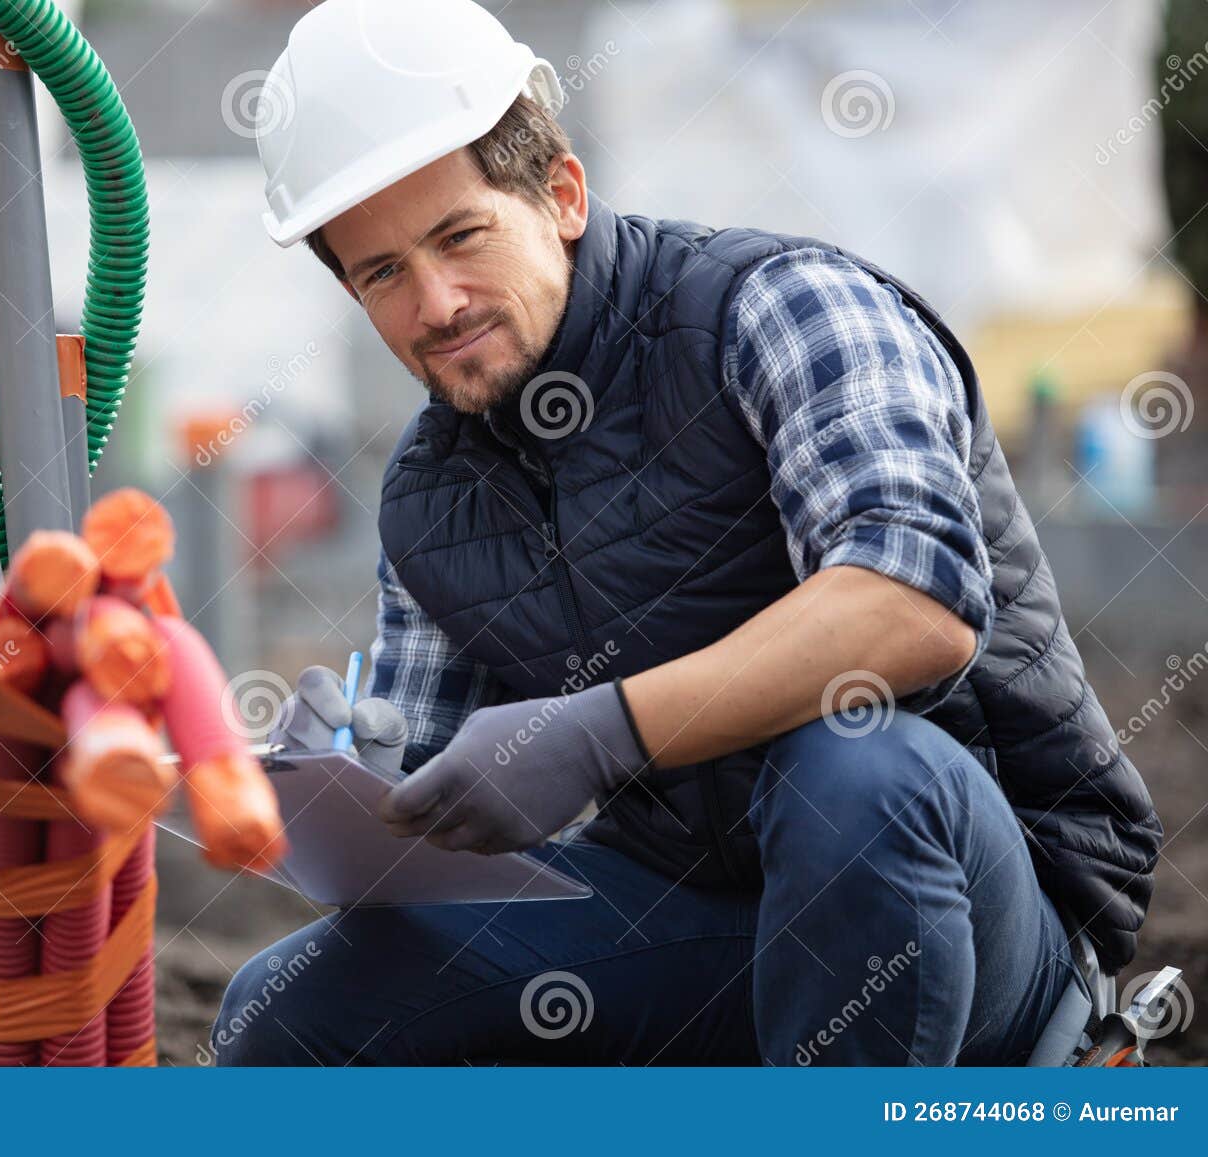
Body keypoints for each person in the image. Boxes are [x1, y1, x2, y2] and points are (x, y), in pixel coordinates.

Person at [212, 0, 1162, 1066]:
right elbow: (443, 815)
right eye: (382, 272)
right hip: (704, 923)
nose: (435, 302)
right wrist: (358, 785)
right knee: (287, 1004)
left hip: (977, 928)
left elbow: (912, 603)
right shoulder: (432, 493)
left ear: (560, 194)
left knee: (854, 763)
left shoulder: (783, 309)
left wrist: (595, 729)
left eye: (460, 235)